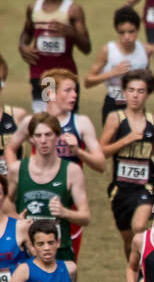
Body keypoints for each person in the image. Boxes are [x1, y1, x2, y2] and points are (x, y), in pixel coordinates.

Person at [4, 113, 91, 264]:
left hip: (60, 253)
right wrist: (17, 220)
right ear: (31, 139)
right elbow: (6, 203)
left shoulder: (72, 171)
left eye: (48, 135)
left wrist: (65, 212)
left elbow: (85, 217)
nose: (43, 141)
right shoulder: (17, 170)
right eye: (38, 135)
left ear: (58, 137)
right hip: (25, 253)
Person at [18, 0, 91, 113]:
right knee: (46, 120)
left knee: (65, 122)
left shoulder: (72, 10)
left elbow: (86, 47)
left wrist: (73, 34)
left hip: (66, 76)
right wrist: (22, 46)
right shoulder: (34, 8)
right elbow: (27, 32)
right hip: (43, 76)